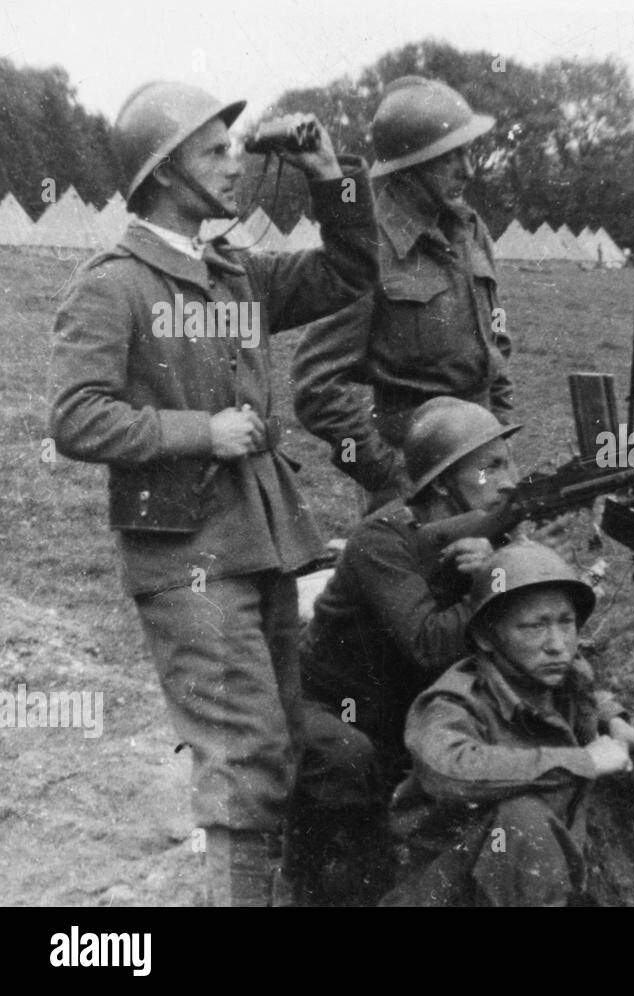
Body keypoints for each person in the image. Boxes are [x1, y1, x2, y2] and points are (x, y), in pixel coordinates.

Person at [47, 80, 377, 906]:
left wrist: (326, 172)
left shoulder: (235, 275)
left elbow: (350, 271)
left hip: (260, 539)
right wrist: (201, 431)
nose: (236, 165)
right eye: (215, 151)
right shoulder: (114, 284)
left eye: (236, 148)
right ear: (164, 172)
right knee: (243, 759)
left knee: (282, 747)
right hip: (184, 551)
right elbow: (76, 418)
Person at [287, 396, 522, 903]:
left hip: (401, 712)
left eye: (510, 461)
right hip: (322, 706)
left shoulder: (495, 535)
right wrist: (493, 584)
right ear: (441, 482)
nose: (510, 479)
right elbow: (429, 642)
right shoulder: (382, 539)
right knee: (348, 761)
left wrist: (509, 562)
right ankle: (307, 880)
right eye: (491, 467)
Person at [382, 542, 634, 907]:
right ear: (485, 637)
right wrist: (584, 762)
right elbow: (449, 771)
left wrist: (615, 721)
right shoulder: (453, 702)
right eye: (534, 627)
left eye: (566, 622)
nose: (558, 645)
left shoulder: (562, 679)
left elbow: (585, 688)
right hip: (448, 892)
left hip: (530, 886)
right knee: (521, 819)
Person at [292, 76, 513, 510]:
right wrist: (391, 478)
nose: (468, 171)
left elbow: (497, 346)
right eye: (452, 158)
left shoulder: (470, 230)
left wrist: (501, 439)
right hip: (414, 479)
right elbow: (315, 386)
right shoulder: (366, 247)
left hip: (483, 461)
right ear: (411, 167)